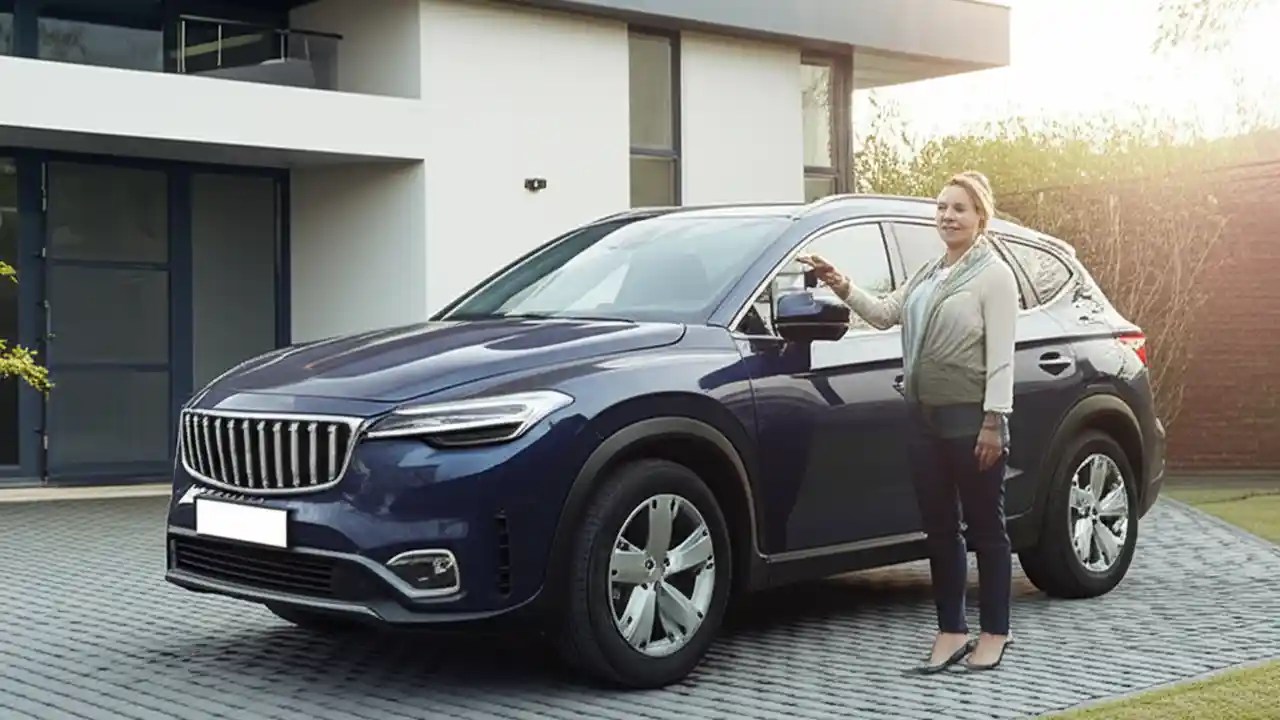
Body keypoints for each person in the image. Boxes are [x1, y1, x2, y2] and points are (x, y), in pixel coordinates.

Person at [798, 171, 1019, 673]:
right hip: (922, 419)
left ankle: (995, 632)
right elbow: (883, 314)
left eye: (958, 208)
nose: (947, 216)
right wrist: (841, 282)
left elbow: (1003, 357)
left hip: (972, 419)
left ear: (980, 217)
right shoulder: (929, 272)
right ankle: (951, 630)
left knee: (986, 529)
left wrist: (993, 421)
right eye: (941, 207)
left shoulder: (994, 276)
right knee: (940, 529)